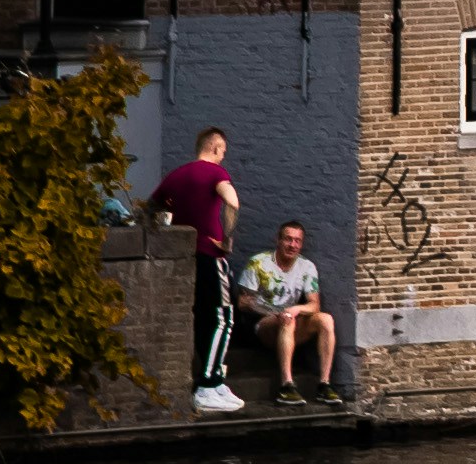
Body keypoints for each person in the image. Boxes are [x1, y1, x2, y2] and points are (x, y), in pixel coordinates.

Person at [144, 126, 242, 412]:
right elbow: (232, 201)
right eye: (223, 151)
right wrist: (226, 239)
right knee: (224, 317)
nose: (224, 157)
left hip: (185, 258)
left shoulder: (175, 176)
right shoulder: (215, 173)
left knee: (202, 317)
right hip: (210, 255)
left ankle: (217, 380)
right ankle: (208, 383)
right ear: (215, 148)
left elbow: (151, 207)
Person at [245, 222, 338, 394]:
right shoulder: (258, 263)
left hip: (291, 320)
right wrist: (272, 312)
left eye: (297, 241)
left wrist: (296, 309)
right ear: (278, 240)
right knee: (287, 320)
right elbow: (242, 302)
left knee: (326, 319)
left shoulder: (307, 266)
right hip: (265, 325)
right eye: (288, 239)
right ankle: (287, 385)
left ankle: (324, 384)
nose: (292, 245)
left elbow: (314, 304)